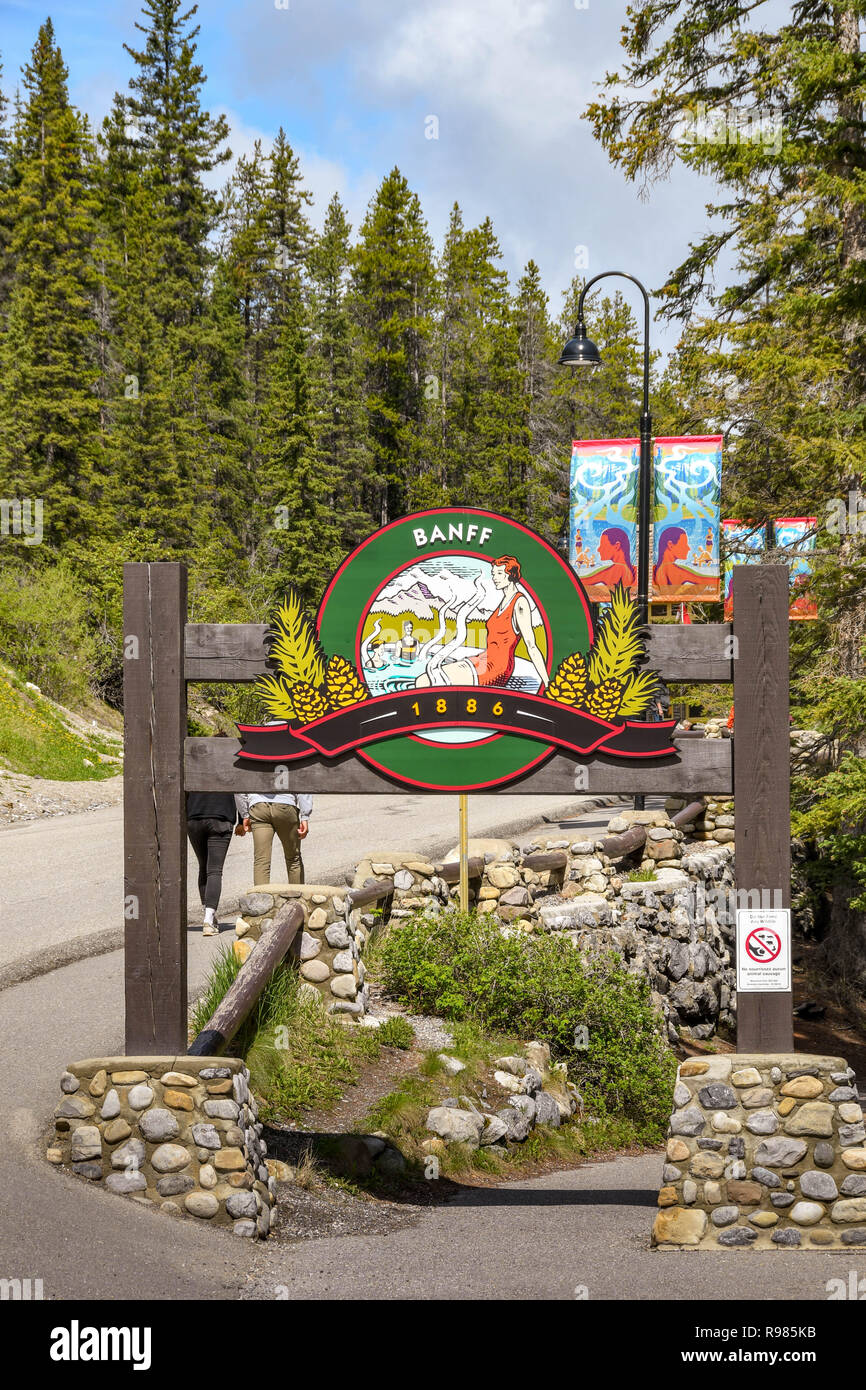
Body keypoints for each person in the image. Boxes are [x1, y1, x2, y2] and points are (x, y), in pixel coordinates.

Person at [415, 555, 548, 691]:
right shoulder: (503, 601)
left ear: (511, 574)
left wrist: (547, 682)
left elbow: (531, 646)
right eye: (493, 574)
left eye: (499, 573)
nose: (495, 577)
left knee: (427, 682)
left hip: (497, 668)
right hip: (482, 660)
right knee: (424, 679)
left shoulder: (520, 603)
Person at [186, 788, 247, 936]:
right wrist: (243, 817)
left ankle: (209, 916)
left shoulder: (193, 764)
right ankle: (208, 919)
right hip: (221, 817)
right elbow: (238, 791)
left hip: (194, 817)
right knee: (214, 870)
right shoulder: (229, 765)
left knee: (203, 867)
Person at [238, 791, 313, 887]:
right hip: (285, 804)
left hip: (258, 806)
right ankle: (297, 898)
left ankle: (261, 900)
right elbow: (302, 782)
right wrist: (305, 816)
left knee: (261, 861)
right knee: (293, 859)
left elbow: (239, 787)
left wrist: (244, 814)